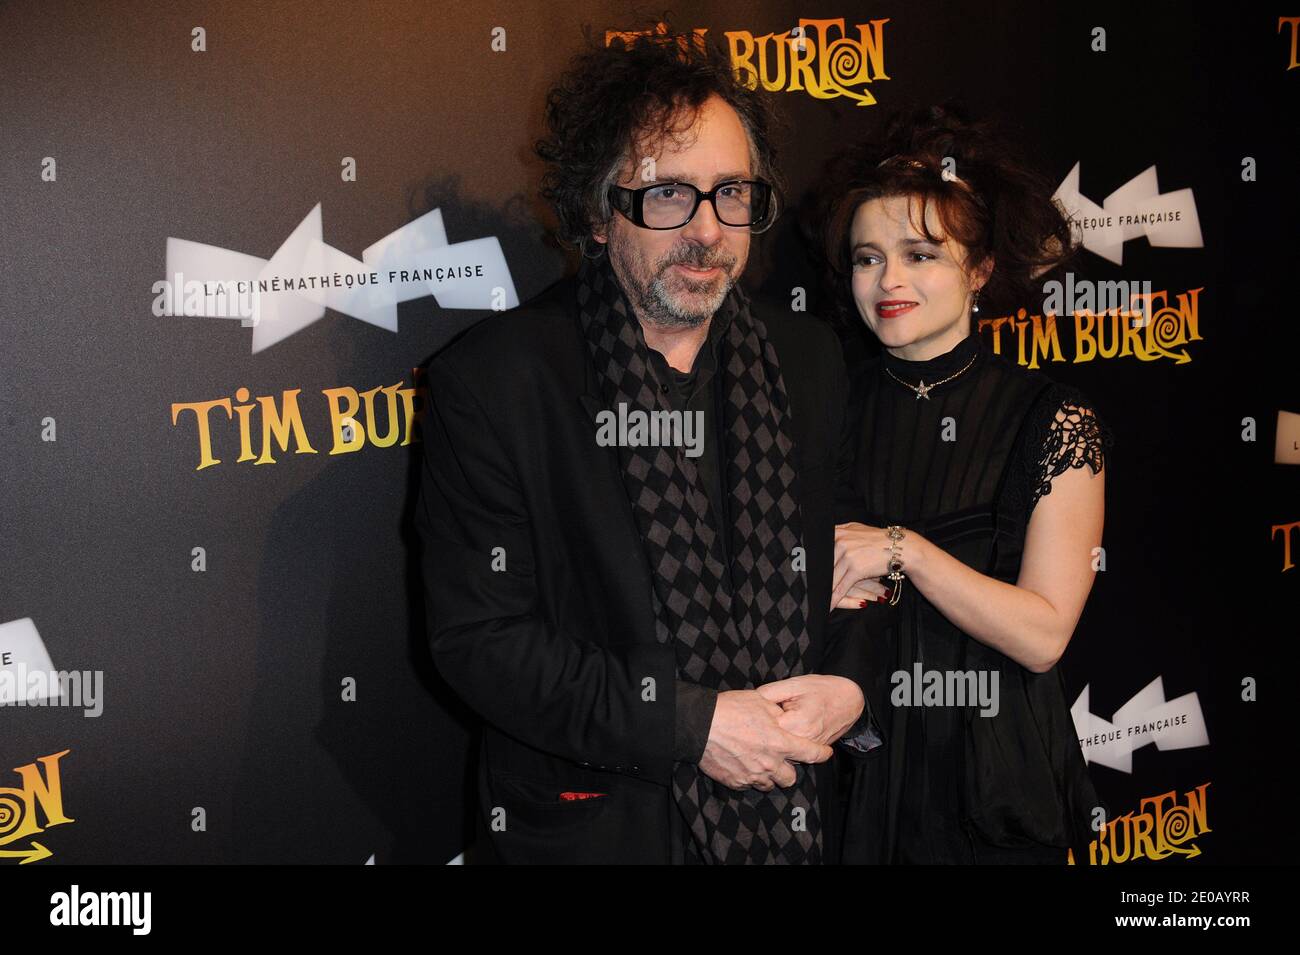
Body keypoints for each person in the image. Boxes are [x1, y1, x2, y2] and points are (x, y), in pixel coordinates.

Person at [415, 27, 880, 865]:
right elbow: (480, 641)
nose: (707, 231)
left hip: (793, 814)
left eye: (732, 193)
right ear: (598, 214)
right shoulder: (493, 384)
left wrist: (849, 682)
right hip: (597, 830)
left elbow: (851, 554)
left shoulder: (806, 359)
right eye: (667, 195)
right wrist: (690, 725)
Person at [818, 105, 1114, 864]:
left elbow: (1045, 633)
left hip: (993, 772)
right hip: (850, 772)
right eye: (866, 258)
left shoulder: (1048, 416)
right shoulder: (821, 408)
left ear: (979, 270)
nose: (888, 281)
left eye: (920, 254)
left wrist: (904, 550)